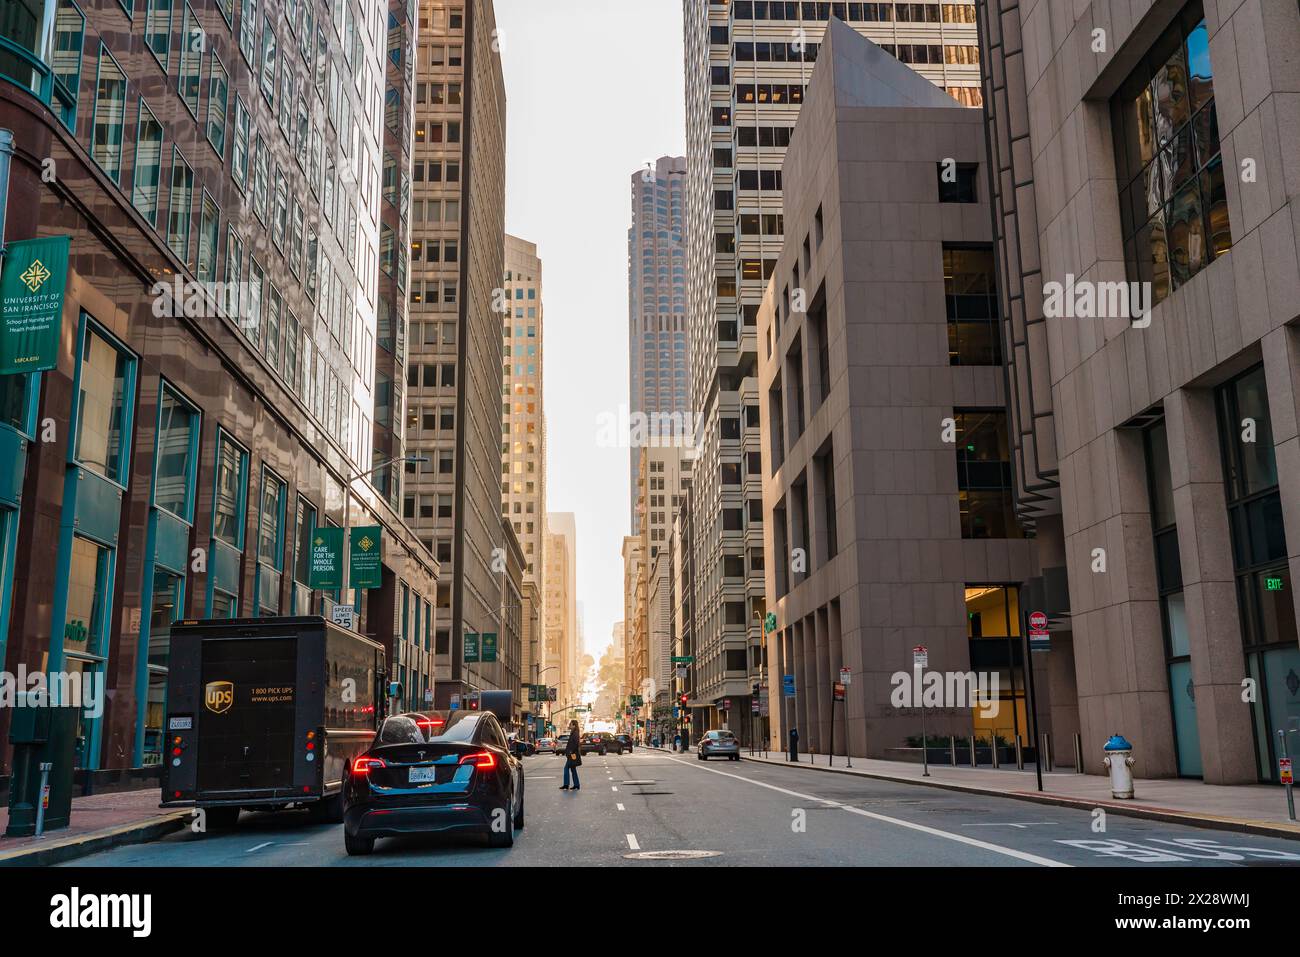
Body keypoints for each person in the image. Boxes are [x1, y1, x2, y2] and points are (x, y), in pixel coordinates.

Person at [560, 720, 582, 791]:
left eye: (570, 724)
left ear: (574, 726)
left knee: (566, 768)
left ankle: (566, 785)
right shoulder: (574, 733)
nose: (569, 725)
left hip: (572, 754)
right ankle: (576, 785)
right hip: (572, 754)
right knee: (573, 769)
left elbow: (575, 744)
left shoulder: (575, 733)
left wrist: (570, 751)